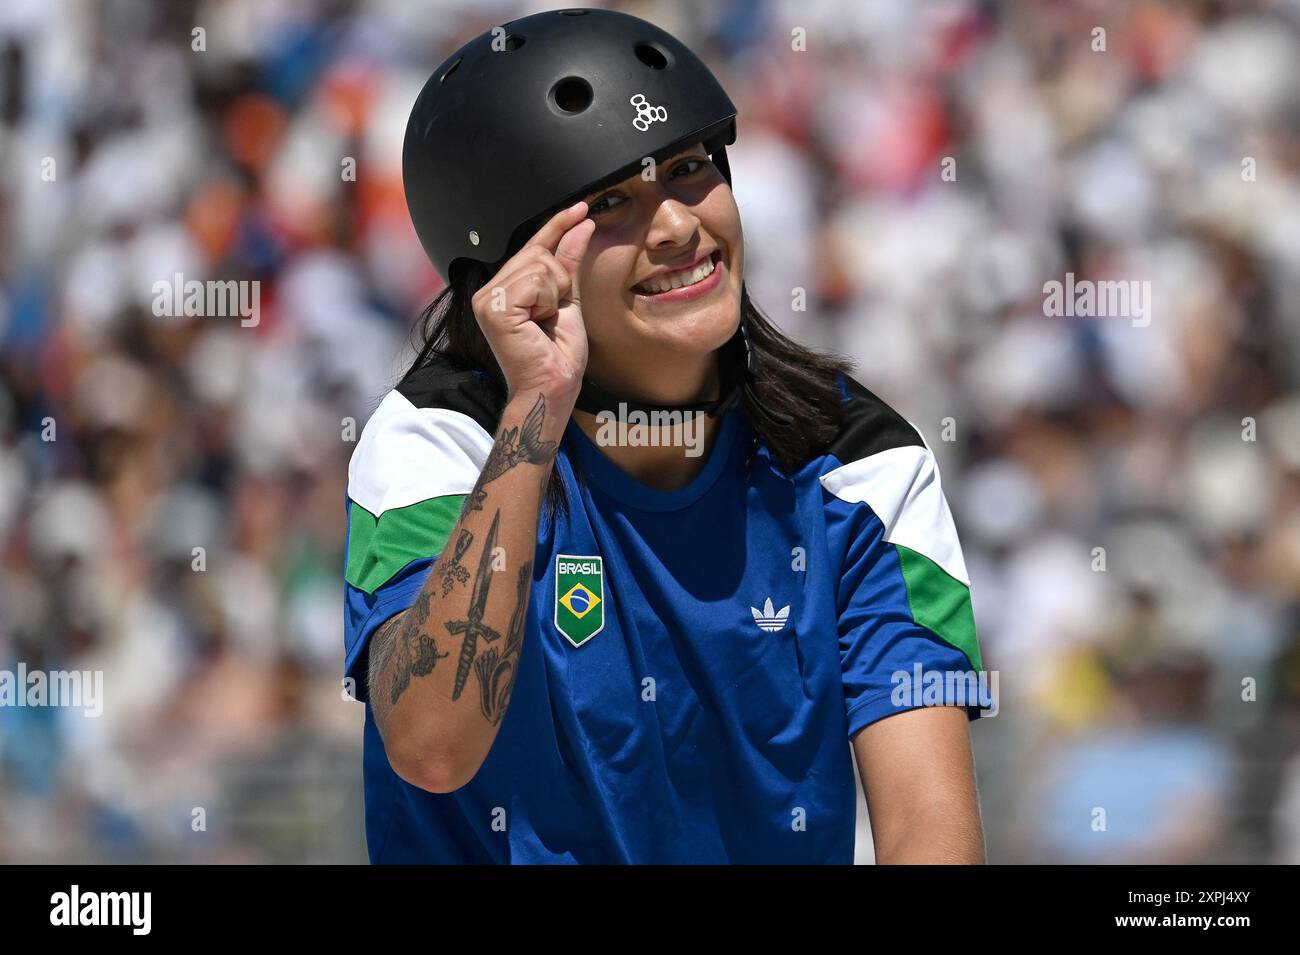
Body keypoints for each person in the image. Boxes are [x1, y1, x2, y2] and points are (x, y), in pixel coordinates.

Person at [342, 7, 987, 863]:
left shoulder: (860, 465)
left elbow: (930, 837)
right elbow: (430, 745)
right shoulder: (436, 440)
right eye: (609, 201)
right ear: (511, 267)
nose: (679, 224)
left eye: (689, 168)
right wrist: (536, 410)